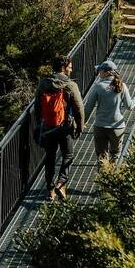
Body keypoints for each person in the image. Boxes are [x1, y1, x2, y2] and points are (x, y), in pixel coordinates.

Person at [33, 55, 85, 201]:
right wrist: (80, 127)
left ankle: (49, 190)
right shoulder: (70, 85)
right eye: (69, 66)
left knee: (49, 157)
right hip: (65, 127)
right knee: (68, 155)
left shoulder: (44, 83)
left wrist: (40, 124)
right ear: (63, 67)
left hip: (48, 127)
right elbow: (79, 108)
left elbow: (37, 105)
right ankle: (61, 183)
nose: (71, 68)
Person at [82, 59, 135, 166]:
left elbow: (88, 107)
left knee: (102, 157)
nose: (98, 73)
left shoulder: (97, 87)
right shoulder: (122, 86)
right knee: (115, 156)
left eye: (100, 71)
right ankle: (112, 178)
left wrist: (83, 122)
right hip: (118, 127)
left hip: (100, 126)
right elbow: (130, 106)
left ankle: (103, 178)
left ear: (107, 72)